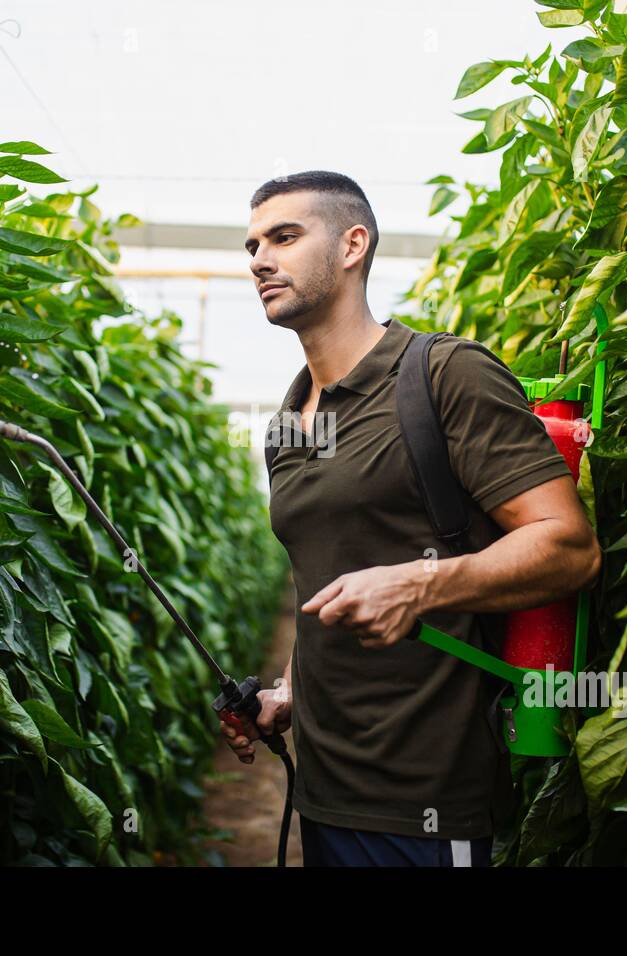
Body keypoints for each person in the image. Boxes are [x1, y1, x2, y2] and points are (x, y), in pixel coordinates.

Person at [223, 170, 601, 867]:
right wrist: (286, 693)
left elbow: (569, 548)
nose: (259, 261)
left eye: (284, 237)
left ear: (352, 245)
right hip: (324, 792)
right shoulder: (286, 425)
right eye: (251, 246)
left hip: (428, 802)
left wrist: (417, 585)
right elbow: (324, 578)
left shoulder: (443, 375)